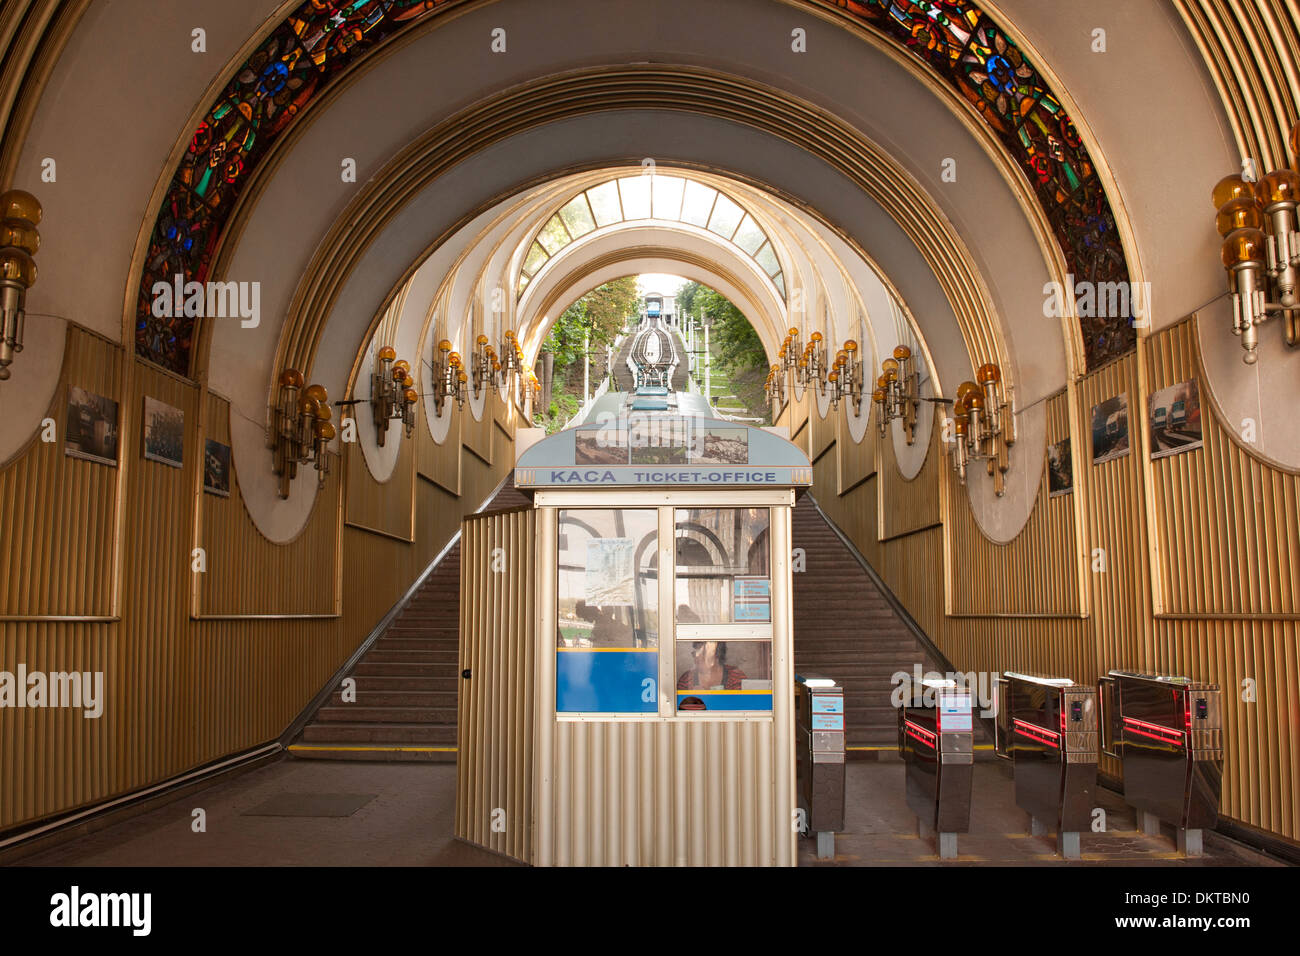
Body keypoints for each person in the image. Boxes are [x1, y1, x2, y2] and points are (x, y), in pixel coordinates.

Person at [677, 640, 745, 690]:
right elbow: (680, 706)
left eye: (703, 653)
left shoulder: (735, 676)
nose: (697, 657)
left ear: (717, 655)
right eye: (695, 653)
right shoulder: (686, 679)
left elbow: (744, 705)